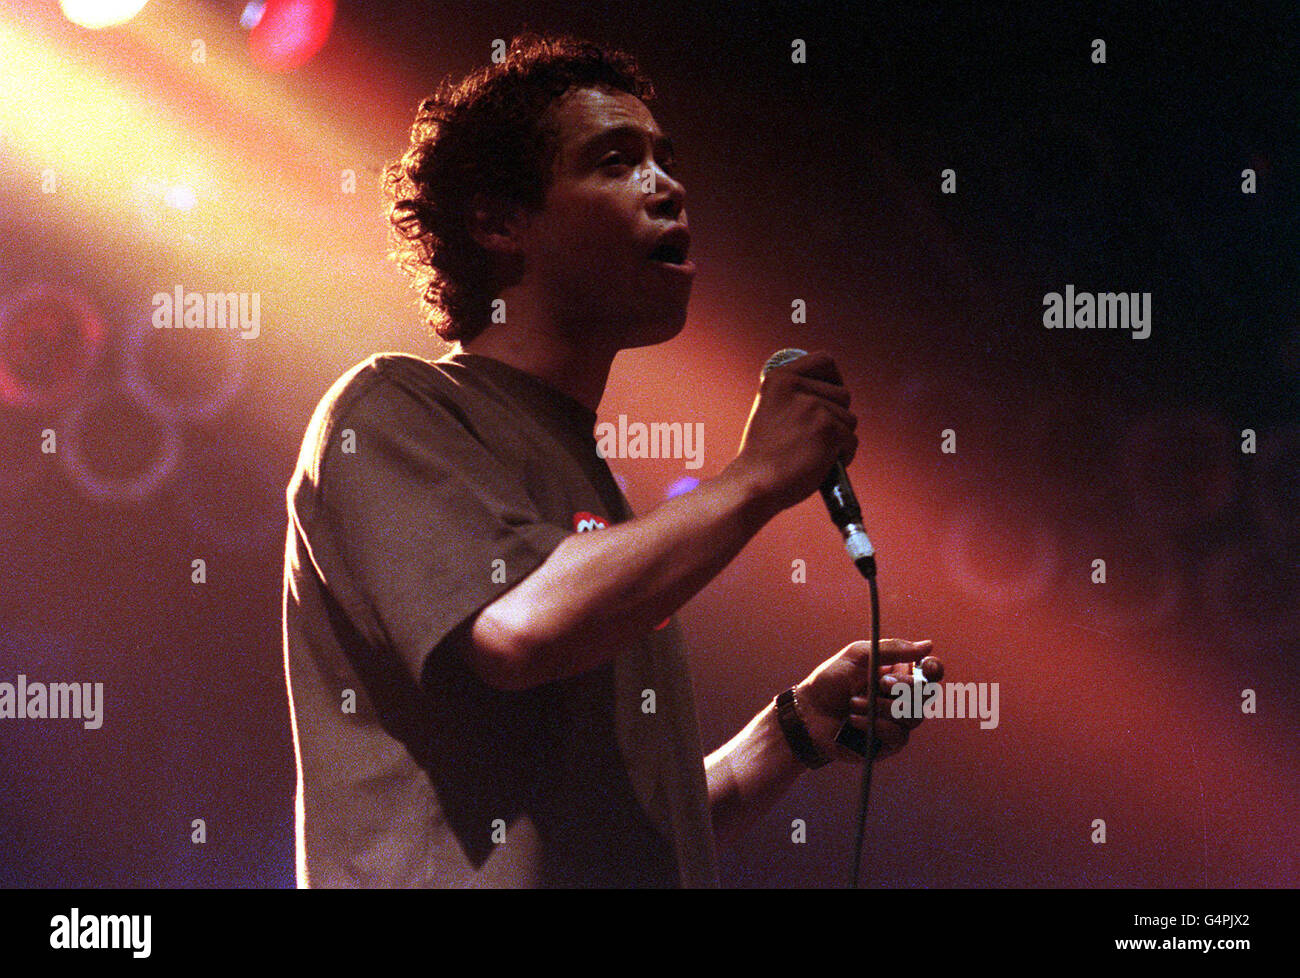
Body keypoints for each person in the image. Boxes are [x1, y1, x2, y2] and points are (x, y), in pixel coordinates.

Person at [281, 32, 941, 888]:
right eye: (616, 162)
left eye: (666, 160)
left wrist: (791, 732)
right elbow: (518, 631)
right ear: (498, 221)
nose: (667, 186)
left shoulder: (603, 505)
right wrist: (756, 476)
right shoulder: (391, 410)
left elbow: (646, 831)